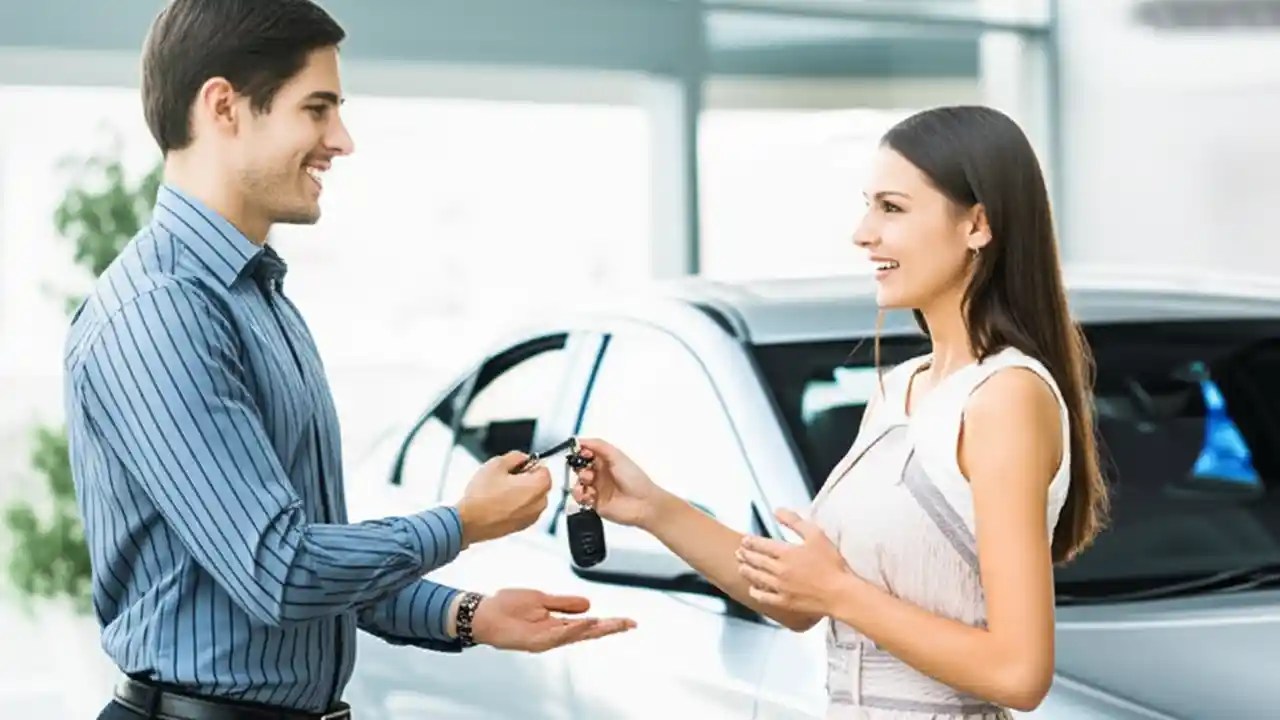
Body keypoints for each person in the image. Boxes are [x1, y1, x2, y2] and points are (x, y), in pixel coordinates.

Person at [64, 2, 633, 719]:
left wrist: (467, 615)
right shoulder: (161, 311)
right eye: (317, 109)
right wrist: (463, 522)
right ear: (224, 107)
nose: (342, 140)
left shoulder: (256, 299)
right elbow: (280, 571)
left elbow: (303, 566)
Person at [570, 105, 1109, 718]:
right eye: (868, 205)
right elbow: (800, 601)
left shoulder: (1005, 397)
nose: (862, 232)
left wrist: (840, 592)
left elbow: (1019, 672)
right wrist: (653, 508)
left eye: (892, 208)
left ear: (977, 224)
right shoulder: (896, 390)